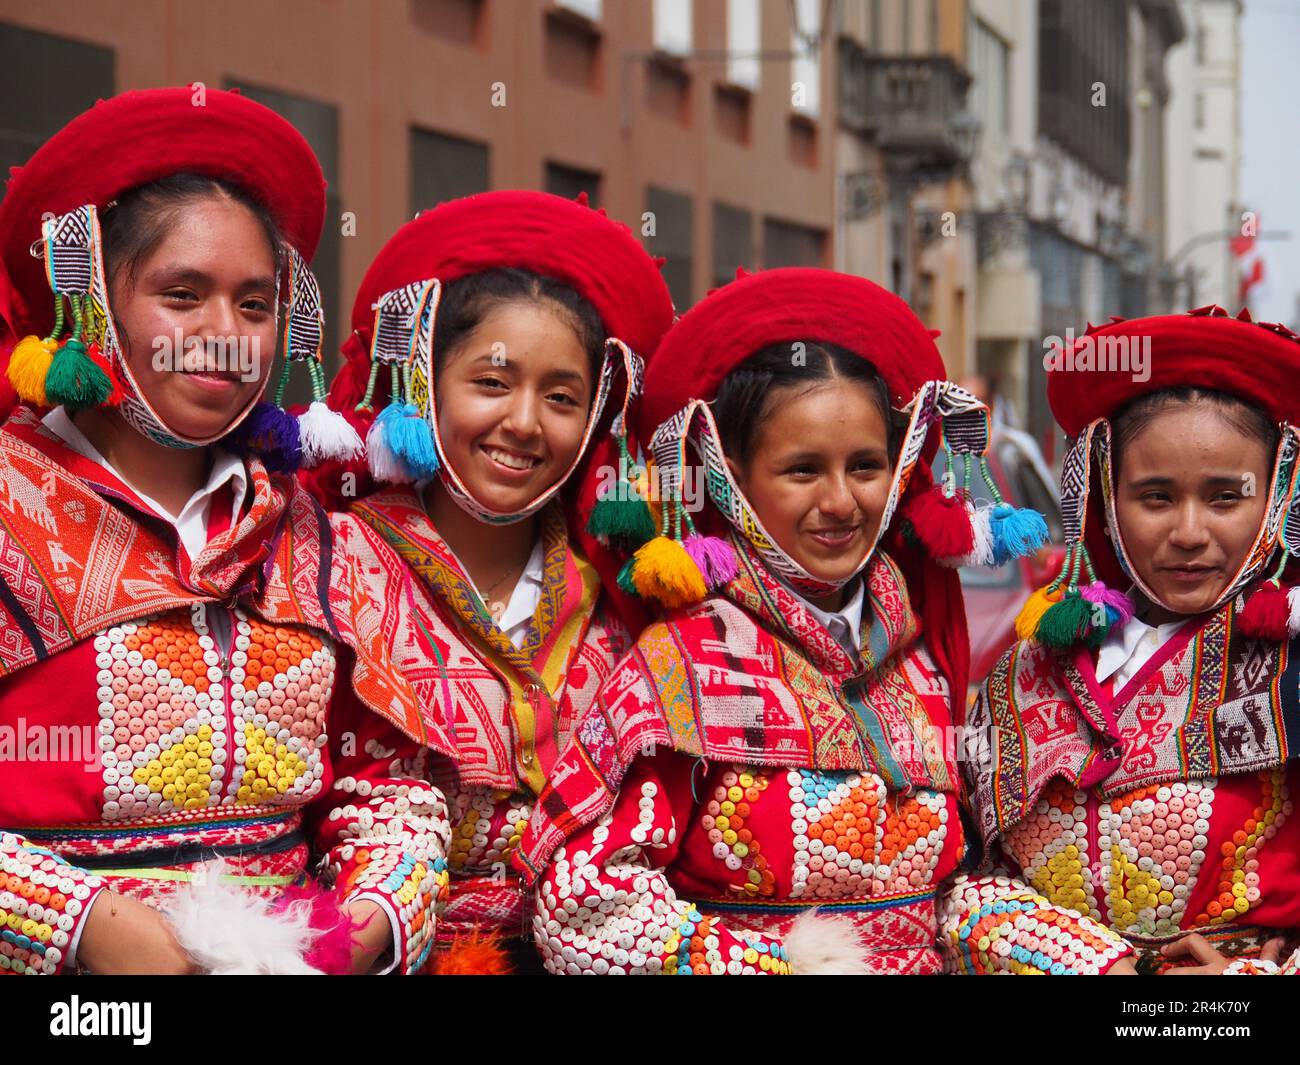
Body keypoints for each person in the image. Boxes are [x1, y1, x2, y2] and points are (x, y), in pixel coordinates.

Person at [510, 267, 1095, 974]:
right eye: (802, 469)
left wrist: (1093, 960)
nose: (841, 500)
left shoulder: (918, 665)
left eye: (866, 465)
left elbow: (946, 897)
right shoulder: (683, 664)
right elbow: (582, 896)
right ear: (732, 475)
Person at [0, 87, 451, 975]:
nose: (223, 336)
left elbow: (391, 784)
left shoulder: (319, 535)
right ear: (95, 300)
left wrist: (364, 922)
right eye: (182, 294)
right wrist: (84, 924)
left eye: (253, 305)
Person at [305, 190, 673, 971]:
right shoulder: (329, 564)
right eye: (493, 382)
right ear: (425, 385)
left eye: (562, 397)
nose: (526, 423)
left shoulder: (620, 598)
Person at [957, 307, 1300, 975]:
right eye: (1156, 496)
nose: (1190, 531)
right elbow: (961, 883)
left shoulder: (1291, 666)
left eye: (1226, 497)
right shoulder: (1026, 672)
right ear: (1106, 505)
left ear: (1277, 499)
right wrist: (1100, 966)